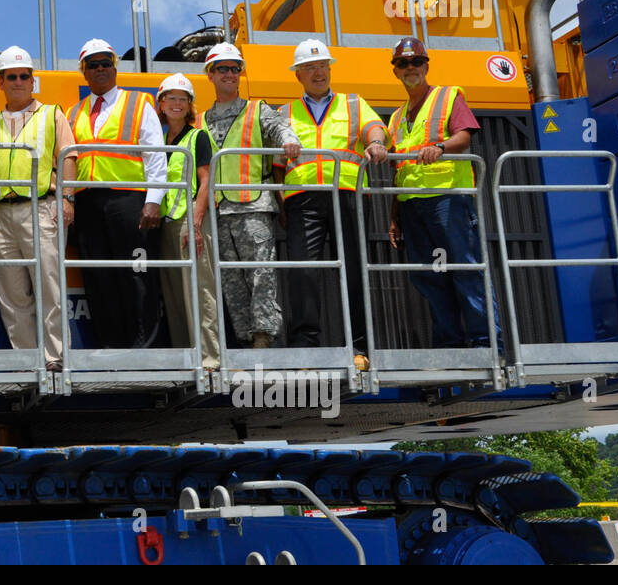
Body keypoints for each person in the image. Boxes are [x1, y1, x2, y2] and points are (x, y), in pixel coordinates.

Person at [278, 38, 388, 367]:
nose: (318, 72)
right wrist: (279, 201)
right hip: (302, 199)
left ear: (330, 69)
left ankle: (359, 347)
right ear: (298, 74)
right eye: (310, 67)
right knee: (304, 272)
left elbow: (375, 128)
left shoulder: (353, 103)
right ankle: (306, 348)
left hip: (348, 193)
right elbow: (274, 164)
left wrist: (377, 144)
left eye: (322, 66)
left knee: (355, 270)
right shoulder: (283, 113)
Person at [385, 36, 499, 348]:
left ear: (426, 65)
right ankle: (450, 346)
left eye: (416, 62)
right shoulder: (396, 117)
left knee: (465, 269)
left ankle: (485, 344)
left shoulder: (448, 97)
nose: (411, 68)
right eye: (403, 63)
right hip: (412, 208)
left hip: (449, 201)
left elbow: (463, 137)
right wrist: (394, 217)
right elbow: (399, 171)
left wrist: (439, 147)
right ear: (395, 71)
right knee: (430, 277)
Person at [0, 46, 77, 372]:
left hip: (41, 208)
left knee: (49, 287)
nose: (18, 81)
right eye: (11, 77)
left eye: (24, 76)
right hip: (1, 215)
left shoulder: (51, 115)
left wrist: (68, 198)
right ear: (0, 82)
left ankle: (56, 360)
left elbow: (68, 157)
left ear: (33, 81)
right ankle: (28, 361)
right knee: (12, 294)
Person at [200, 43, 301, 351]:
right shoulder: (202, 119)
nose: (230, 74)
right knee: (231, 280)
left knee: (261, 274)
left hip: (254, 207)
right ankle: (246, 336)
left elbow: (280, 128)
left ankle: (264, 336)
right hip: (219, 212)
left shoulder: (257, 109)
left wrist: (290, 140)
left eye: (235, 68)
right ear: (211, 75)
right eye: (223, 69)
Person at [66, 38, 166, 348]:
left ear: (115, 67)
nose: (100, 69)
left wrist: (153, 202)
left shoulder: (138, 103)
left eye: (105, 63)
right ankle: (110, 347)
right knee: (98, 278)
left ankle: (143, 347)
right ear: (84, 72)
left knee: (136, 274)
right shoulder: (74, 111)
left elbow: (155, 156)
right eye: (92, 65)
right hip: (88, 204)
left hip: (128, 201)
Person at [155, 73, 219, 368]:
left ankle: (208, 357)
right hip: (167, 224)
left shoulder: (198, 136)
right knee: (174, 294)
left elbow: (206, 181)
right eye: (172, 98)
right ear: (162, 103)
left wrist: (195, 222)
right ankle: (185, 358)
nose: (177, 104)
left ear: (190, 104)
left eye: (183, 99)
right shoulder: (159, 140)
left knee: (199, 290)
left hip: (190, 221)